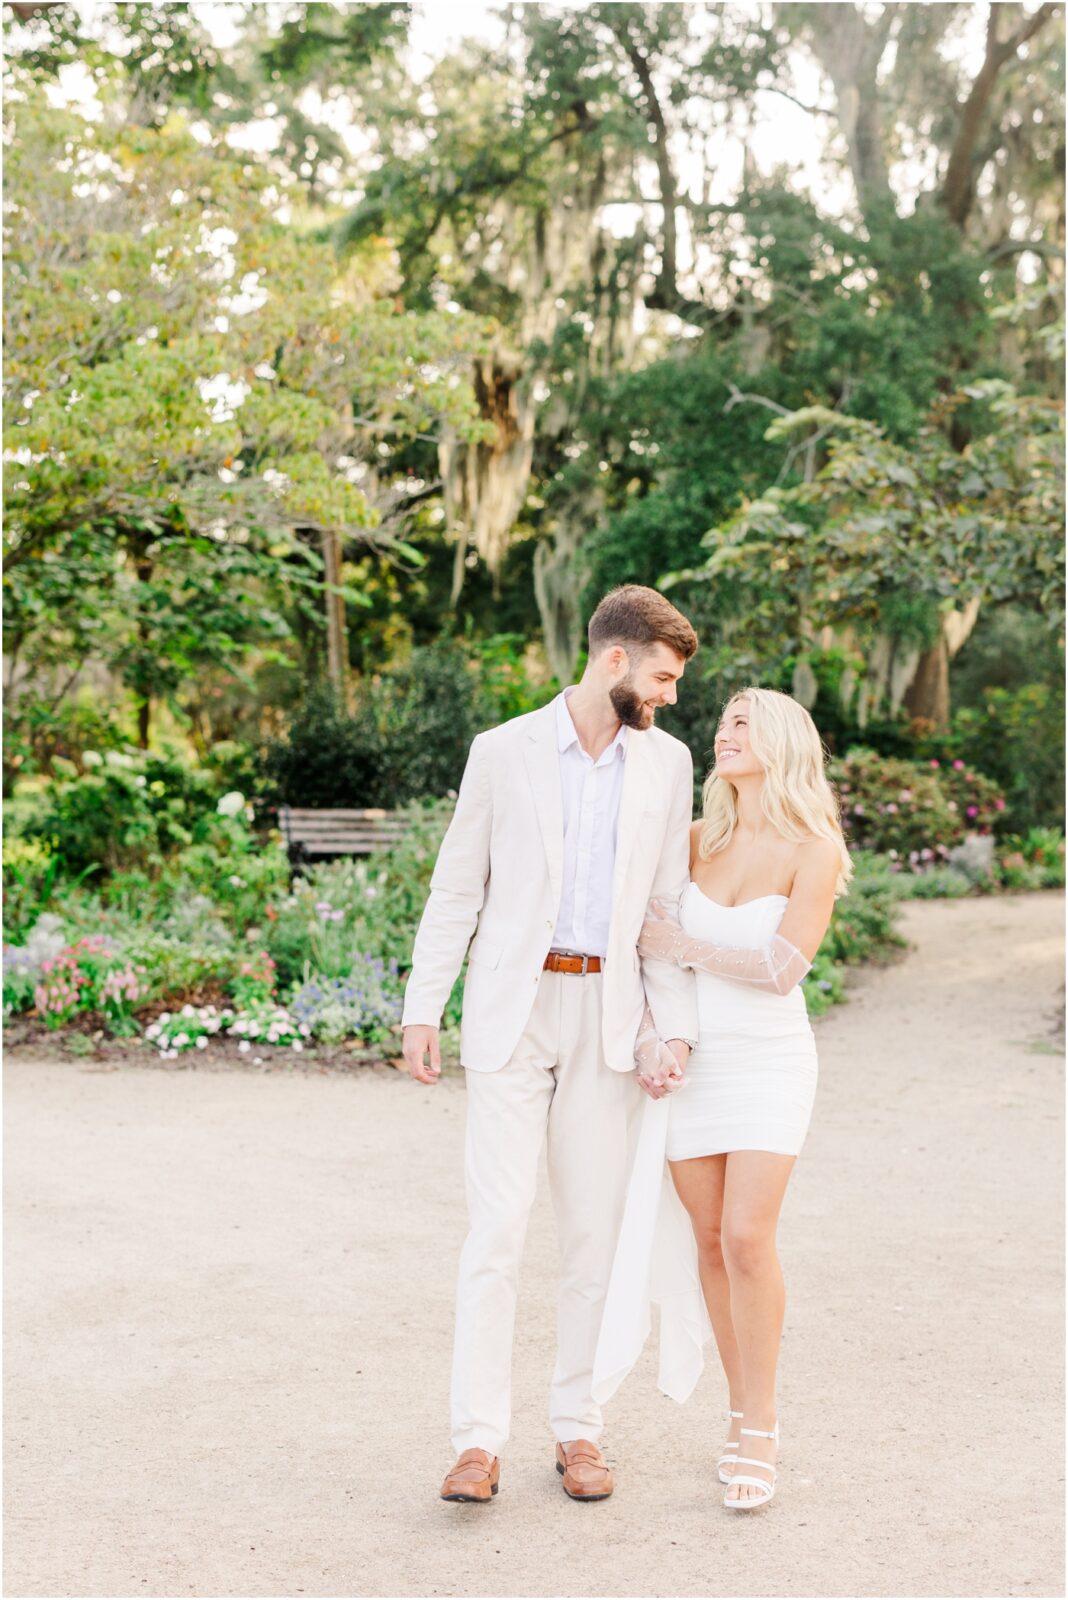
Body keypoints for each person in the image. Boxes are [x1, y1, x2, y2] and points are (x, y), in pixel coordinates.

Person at [401, 586, 700, 1505]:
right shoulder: (503, 751)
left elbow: (665, 908)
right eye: (661, 676)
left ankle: (578, 1429)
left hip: (608, 1019)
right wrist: (424, 1006)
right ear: (614, 661)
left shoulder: (669, 763)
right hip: (512, 1012)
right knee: (494, 1232)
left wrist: (671, 1027)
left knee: (591, 1238)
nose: (670, 695)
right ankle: (476, 1441)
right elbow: (458, 887)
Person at [592, 687, 851, 1511]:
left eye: (742, 721)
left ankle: (763, 1424)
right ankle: (737, 1414)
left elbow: (782, 969)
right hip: (693, 1064)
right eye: (723, 722)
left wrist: (688, 943)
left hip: (772, 1061)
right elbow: (646, 950)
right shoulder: (697, 840)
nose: (723, 732)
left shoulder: (816, 847)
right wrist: (655, 1038)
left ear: (781, 739)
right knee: (707, 1241)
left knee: (746, 1237)